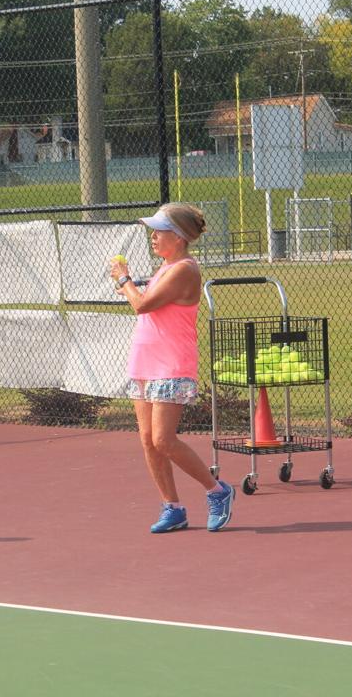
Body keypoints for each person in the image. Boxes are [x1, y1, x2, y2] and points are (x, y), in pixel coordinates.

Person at [110, 203, 235, 533]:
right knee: (148, 441)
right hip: (144, 364)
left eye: (159, 231)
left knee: (164, 440)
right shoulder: (165, 268)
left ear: (178, 238)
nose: (153, 236)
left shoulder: (184, 270)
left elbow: (142, 306)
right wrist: (131, 282)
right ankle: (173, 508)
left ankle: (218, 491)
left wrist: (124, 280)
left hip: (172, 365)